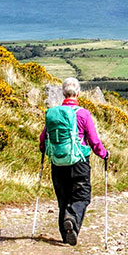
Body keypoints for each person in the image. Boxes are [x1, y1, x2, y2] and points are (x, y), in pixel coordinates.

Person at [39, 77, 109, 246]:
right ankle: (72, 220)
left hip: (58, 162)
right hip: (79, 162)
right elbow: (93, 140)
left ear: (63, 93)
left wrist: (45, 152)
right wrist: (104, 154)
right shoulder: (83, 113)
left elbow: (43, 138)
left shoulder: (53, 114)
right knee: (82, 196)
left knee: (63, 198)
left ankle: (66, 234)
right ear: (78, 93)